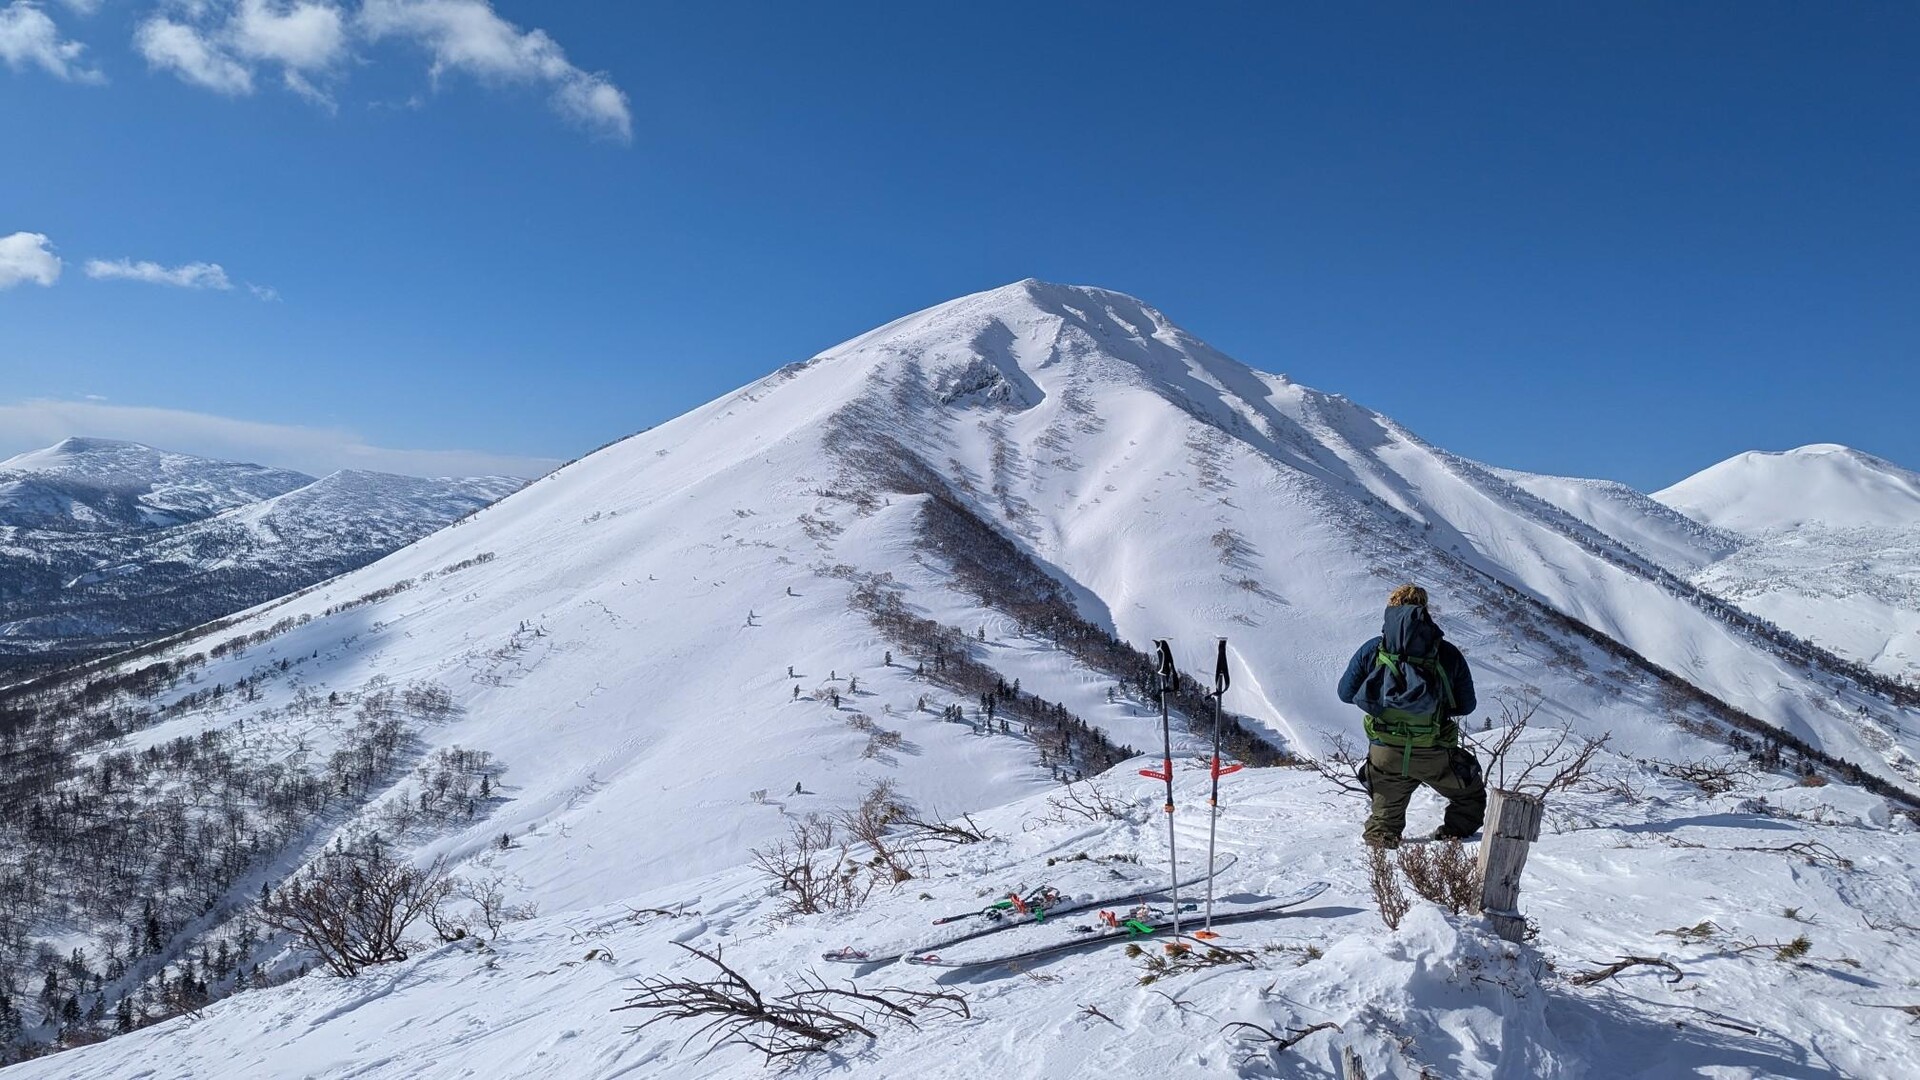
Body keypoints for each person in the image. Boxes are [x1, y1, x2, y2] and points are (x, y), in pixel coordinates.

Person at [1336, 584, 1485, 848]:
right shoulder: (1446, 653)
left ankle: (1380, 862)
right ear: (1425, 611)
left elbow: (1345, 694)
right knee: (1470, 796)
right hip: (1435, 752)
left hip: (1386, 754)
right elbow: (1466, 706)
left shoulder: (1373, 650)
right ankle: (1453, 837)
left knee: (1383, 821)